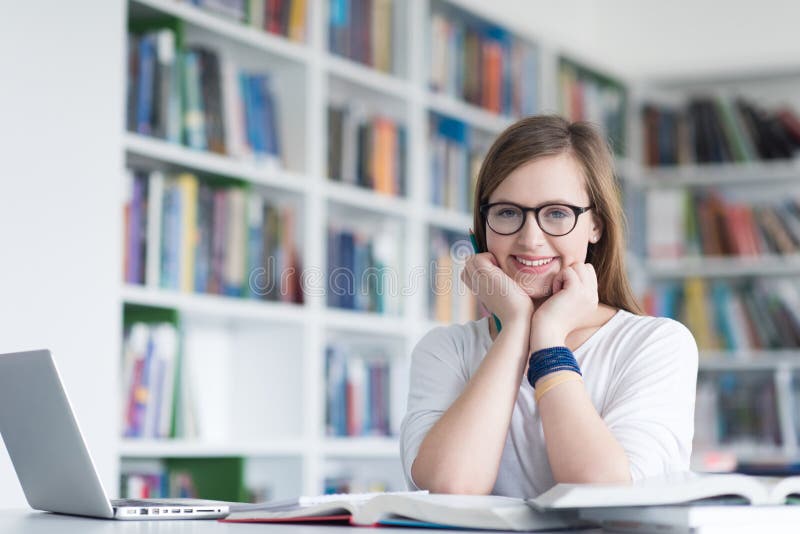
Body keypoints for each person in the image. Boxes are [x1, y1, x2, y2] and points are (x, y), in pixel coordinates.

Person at [400, 115, 698, 498]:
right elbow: (452, 485)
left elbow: (603, 493)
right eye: (507, 212)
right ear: (482, 225)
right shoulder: (445, 350)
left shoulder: (656, 344)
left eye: (557, 213)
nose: (530, 239)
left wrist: (550, 341)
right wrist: (516, 326)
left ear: (596, 226)